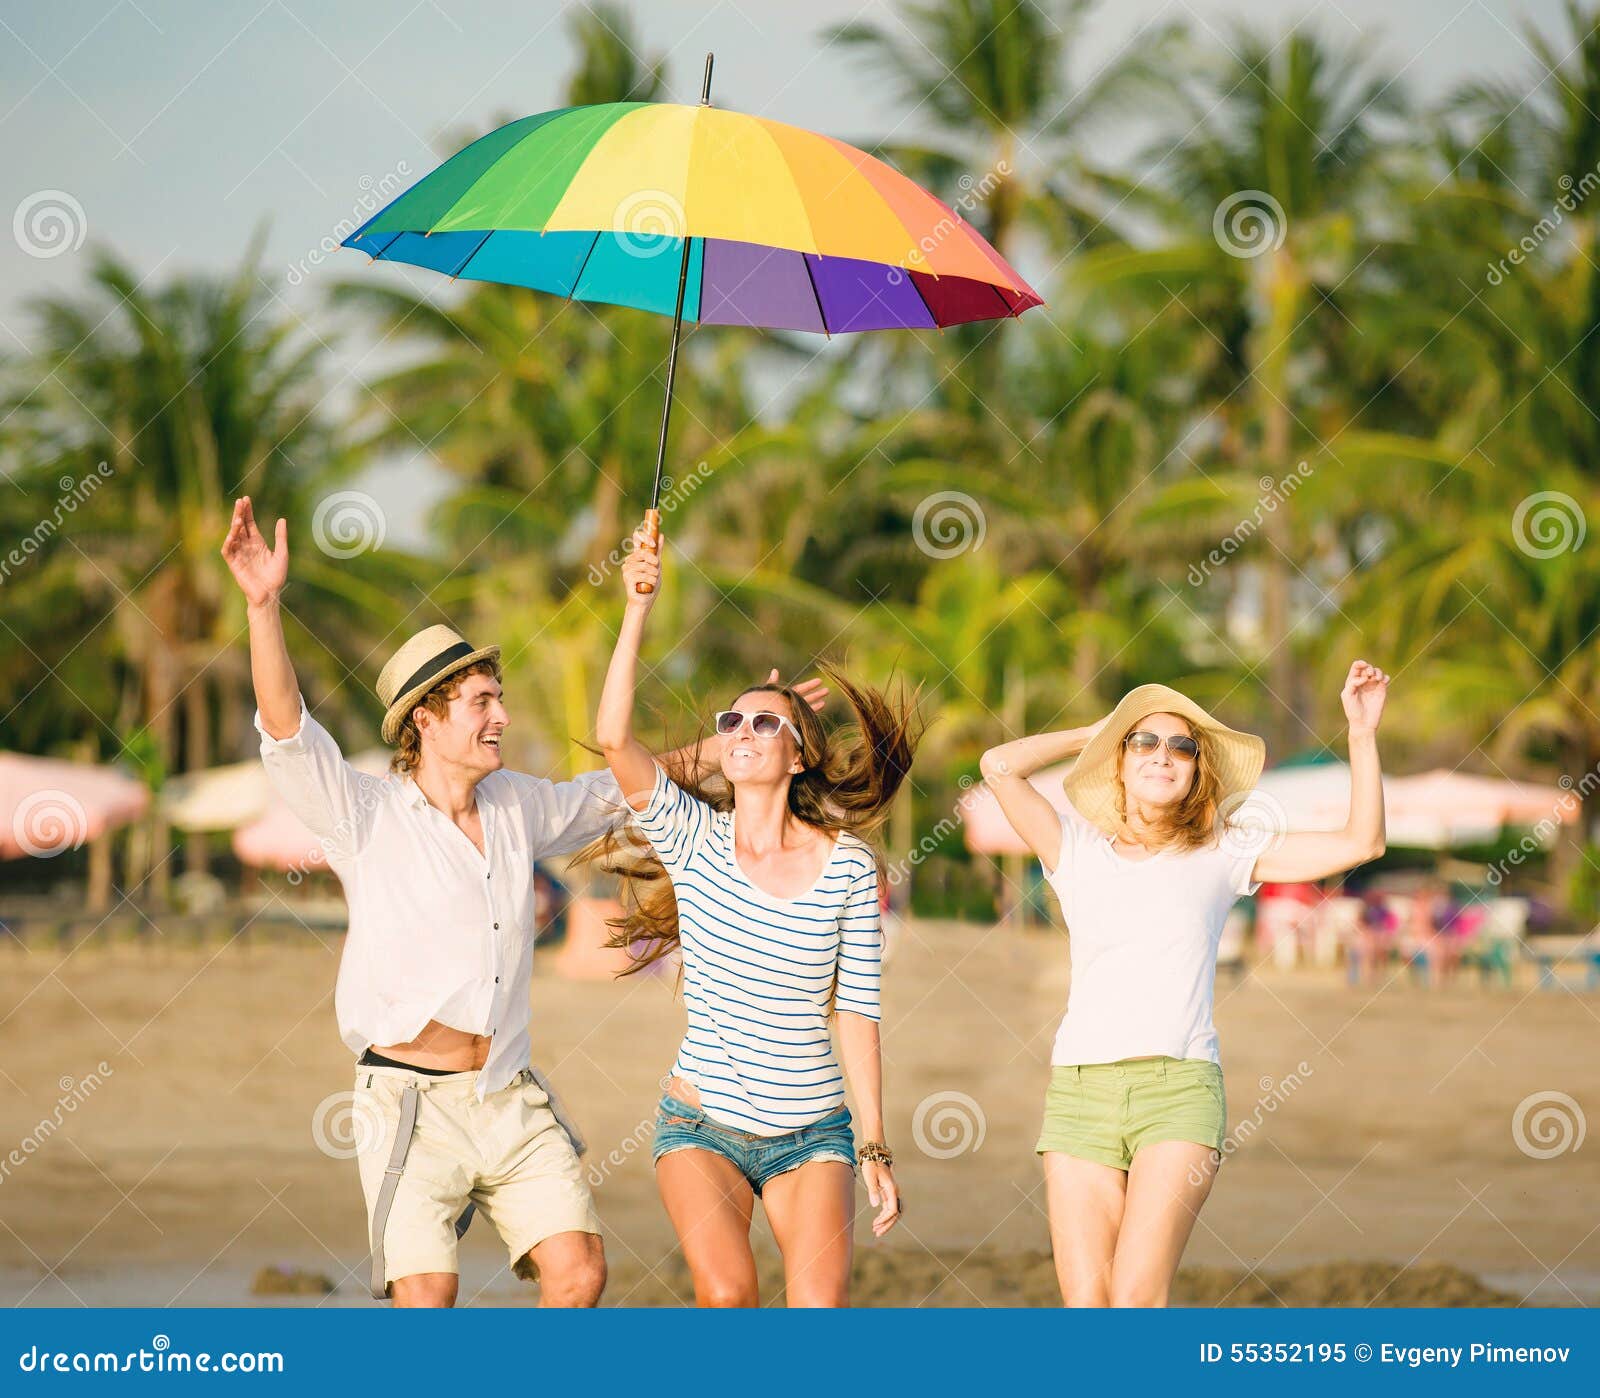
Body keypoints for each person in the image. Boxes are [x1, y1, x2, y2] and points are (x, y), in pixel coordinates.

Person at [220, 496, 819, 1308]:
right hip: (406, 1105)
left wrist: (735, 741)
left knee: (579, 1275)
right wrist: (263, 606)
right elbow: (287, 728)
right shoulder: (362, 813)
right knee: (426, 1299)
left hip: (508, 1092)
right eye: (481, 704)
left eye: (499, 697)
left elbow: (621, 789)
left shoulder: (517, 804)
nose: (502, 715)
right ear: (425, 721)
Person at [980, 660, 1389, 1307]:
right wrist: (1099, 728)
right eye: (1143, 741)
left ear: (1198, 769)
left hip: (1180, 1091)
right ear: (1117, 761)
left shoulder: (1224, 851)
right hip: (1080, 1093)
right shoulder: (1075, 848)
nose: (1162, 754)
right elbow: (998, 766)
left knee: (1138, 1298)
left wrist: (1361, 734)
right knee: (1088, 1308)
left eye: (1181, 746)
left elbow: (1362, 841)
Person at [588, 522, 920, 1307]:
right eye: (730, 721)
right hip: (700, 1125)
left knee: (817, 1313)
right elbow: (612, 738)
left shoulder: (846, 866)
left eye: (764, 721)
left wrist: (874, 1143)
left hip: (814, 1137)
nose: (740, 732)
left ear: (798, 754)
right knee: (729, 1296)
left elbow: (860, 1013)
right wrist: (637, 605)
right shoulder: (690, 835)